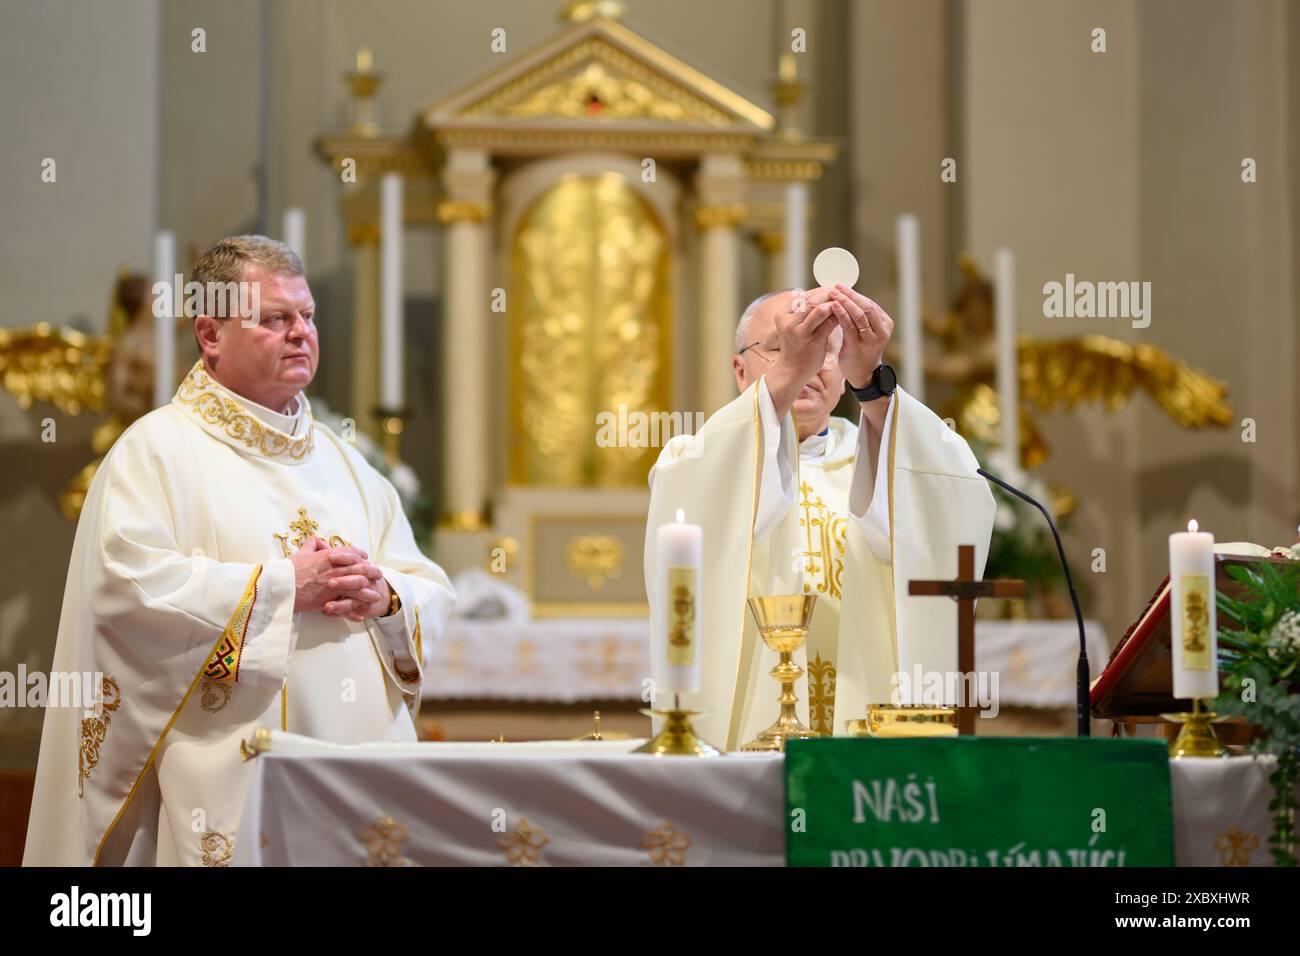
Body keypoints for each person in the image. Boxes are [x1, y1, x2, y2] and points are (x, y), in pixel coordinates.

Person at [25, 235, 455, 865]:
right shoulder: (155, 453)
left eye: (307, 316)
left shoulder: (350, 465)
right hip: (226, 788)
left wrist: (387, 596)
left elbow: (428, 586)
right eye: (275, 319)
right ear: (210, 335)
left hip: (361, 798)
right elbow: (126, 593)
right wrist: (283, 589)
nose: (301, 333)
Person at [645, 285, 995, 750]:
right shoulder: (692, 460)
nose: (808, 363)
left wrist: (872, 377)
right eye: (782, 347)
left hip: (867, 735)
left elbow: (954, 501)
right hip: (749, 740)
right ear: (739, 368)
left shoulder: (883, 453)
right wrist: (789, 371)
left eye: (824, 350)